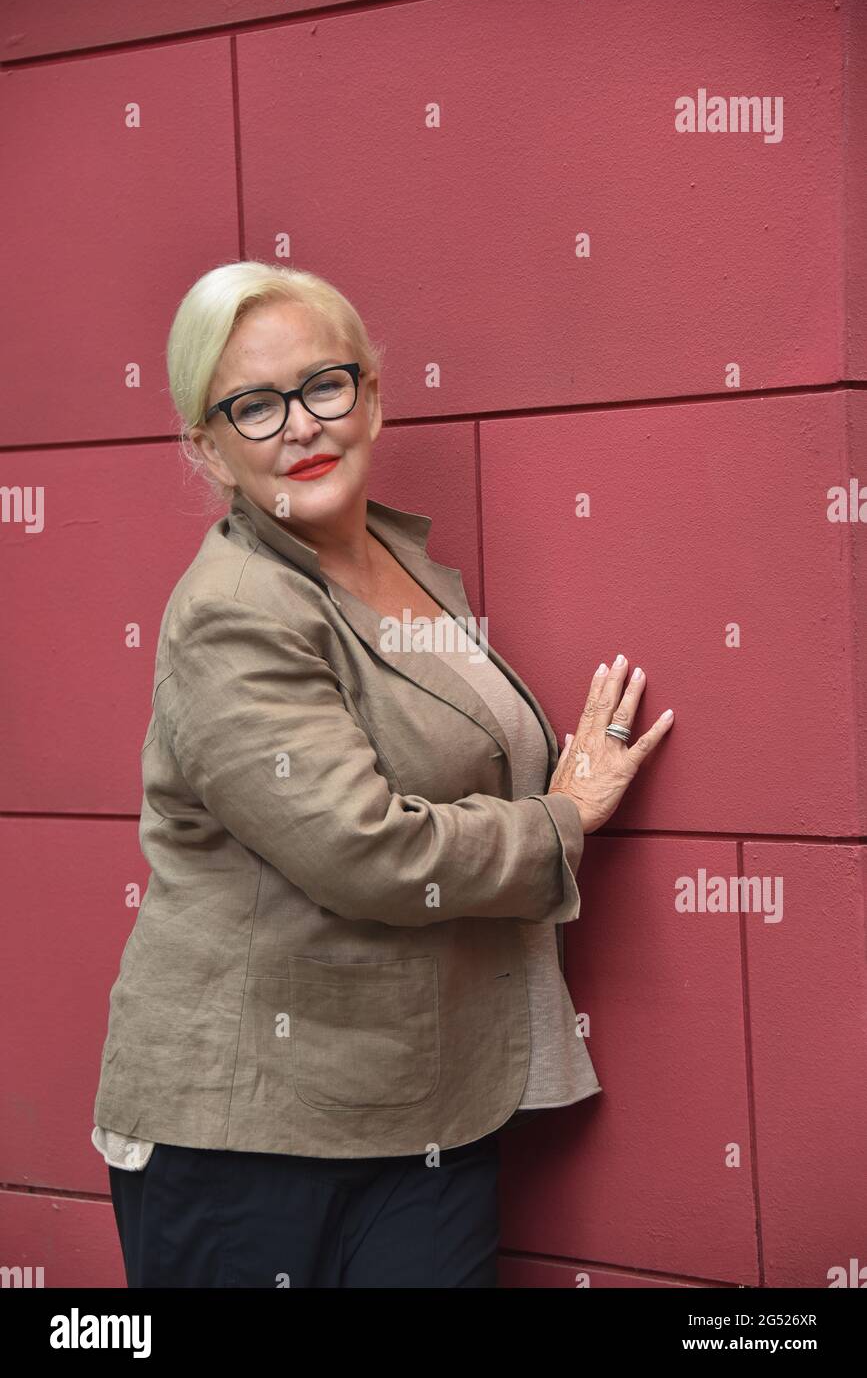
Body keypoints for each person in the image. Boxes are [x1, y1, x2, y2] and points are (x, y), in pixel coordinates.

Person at [92, 260, 674, 1288]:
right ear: (208, 446)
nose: (302, 427)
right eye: (253, 406)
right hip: (249, 1135)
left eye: (325, 384)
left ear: (372, 392)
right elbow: (364, 849)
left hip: (426, 1112)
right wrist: (560, 819)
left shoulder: (396, 563)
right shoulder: (237, 608)